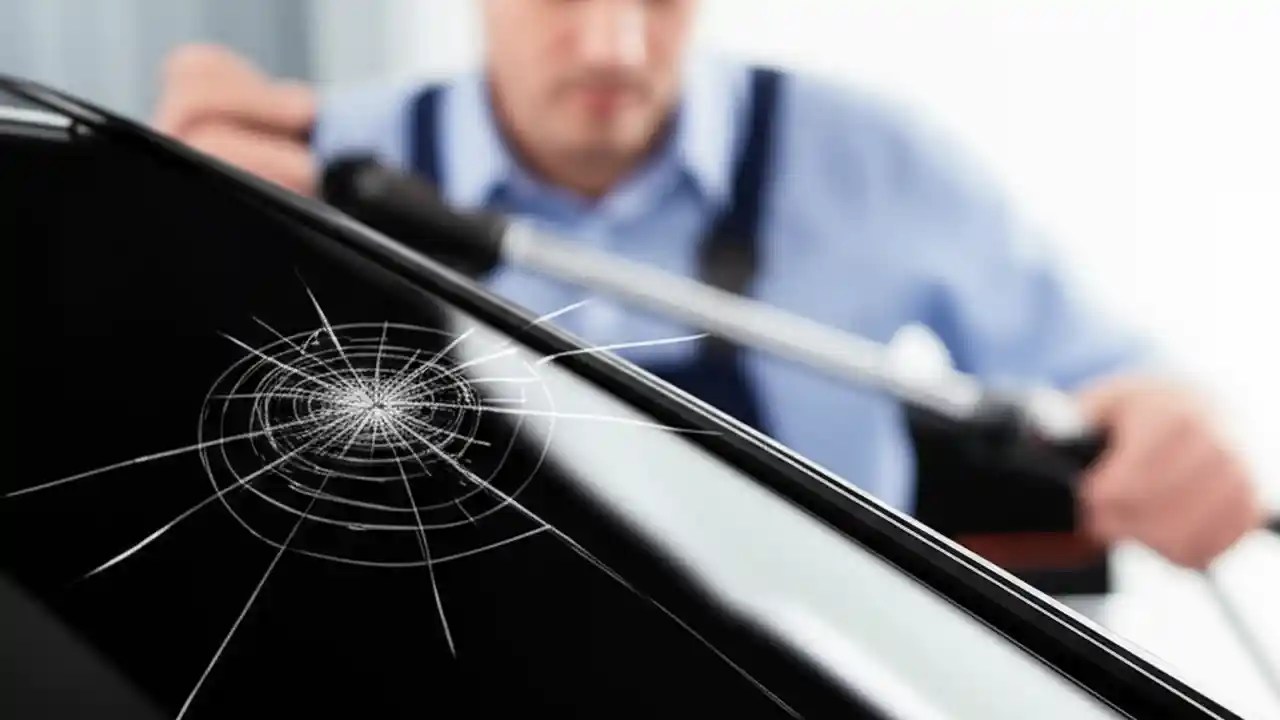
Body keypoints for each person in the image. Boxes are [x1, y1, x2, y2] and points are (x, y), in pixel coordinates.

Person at [150, 0, 1263, 570]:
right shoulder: (310, 167)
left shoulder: (873, 156)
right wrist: (156, 250)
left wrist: (1172, 427)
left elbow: (1112, 377)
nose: (614, 50)